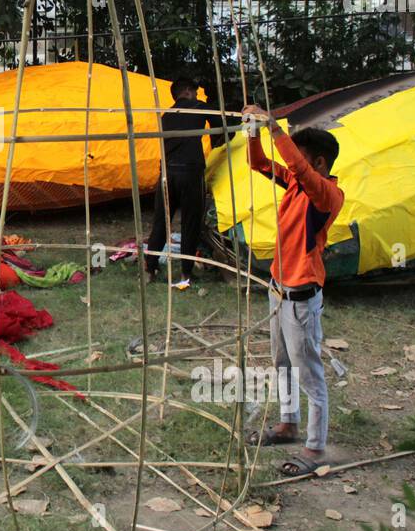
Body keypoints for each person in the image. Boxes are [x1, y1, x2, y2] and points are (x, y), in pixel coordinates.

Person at [241, 104, 344, 477]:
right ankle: (288, 423)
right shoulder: (298, 183)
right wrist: (253, 130)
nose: (295, 164)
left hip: (302, 296)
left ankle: (315, 448)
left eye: (301, 159)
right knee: (281, 362)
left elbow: (296, 168)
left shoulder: (326, 194)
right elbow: (259, 164)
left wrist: (275, 128)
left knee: (309, 373)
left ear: (318, 163)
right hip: (278, 289)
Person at [146, 78, 224, 290]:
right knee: (190, 224)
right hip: (190, 173)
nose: (197, 96)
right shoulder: (199, 108)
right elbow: (222, 127)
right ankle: (185, 274)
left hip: (167, 173)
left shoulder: (166, 116)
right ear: (188, 91)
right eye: (196, 92)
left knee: (161, 222)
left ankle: (150, 269)